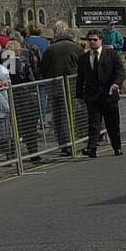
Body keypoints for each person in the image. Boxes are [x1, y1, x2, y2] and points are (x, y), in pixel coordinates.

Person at [77, 30, 124, 157]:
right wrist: (79, 95)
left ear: (101, 40)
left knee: (112, 124)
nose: (92, 42)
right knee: (93, 123)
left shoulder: (111, 54)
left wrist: (116, 84)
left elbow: (120, 71)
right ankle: (91, 148)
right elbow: (80, 77)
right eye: (90, 40)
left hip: (109, 95)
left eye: (95, 39)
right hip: (93, 95)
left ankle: (117, 146)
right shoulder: (84, 58)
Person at [41, 21, 83, 154]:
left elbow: (43, 68)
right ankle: (73, 141)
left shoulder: (50, 48)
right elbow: (83, 66)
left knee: (58, 116)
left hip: (55, 87)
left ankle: (64, 144)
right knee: (71, 115)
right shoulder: (76, 47)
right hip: (73, 86)